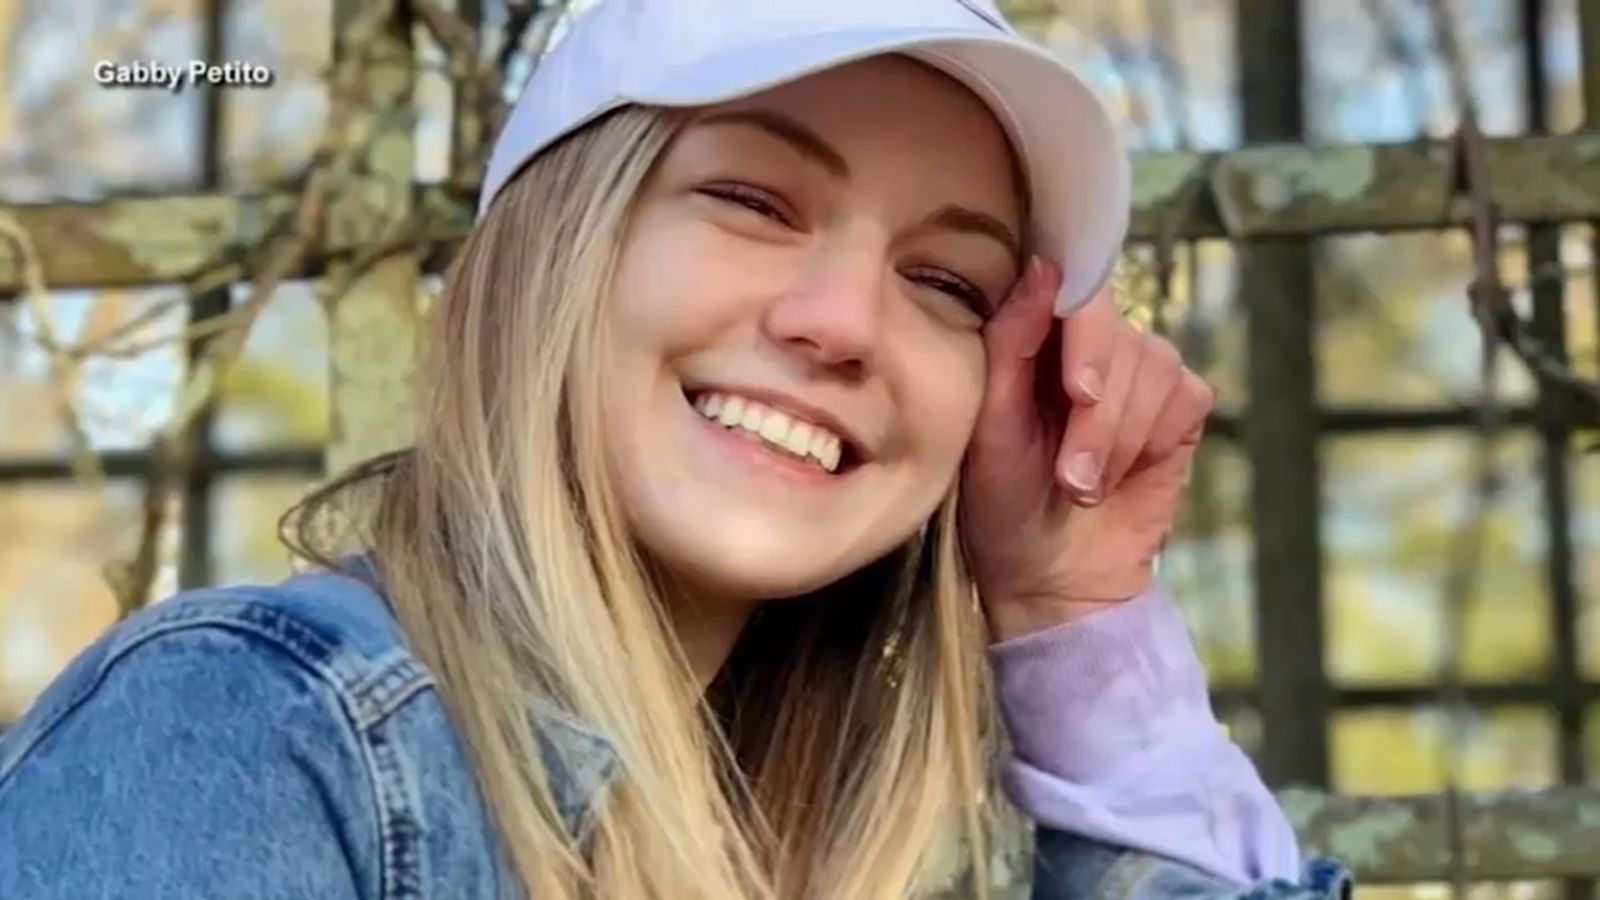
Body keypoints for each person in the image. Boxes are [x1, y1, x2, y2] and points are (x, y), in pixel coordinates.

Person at [0, 1, 1351, 898]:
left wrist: (1075, 612)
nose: (843, 325)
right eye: (754, 199)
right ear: (554, 255)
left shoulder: (828, 846)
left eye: (947, 282)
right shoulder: (262, 731)